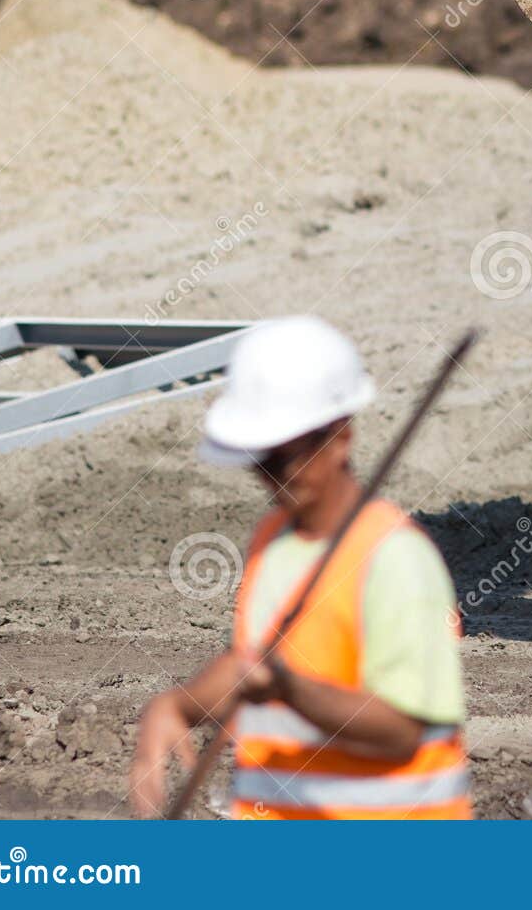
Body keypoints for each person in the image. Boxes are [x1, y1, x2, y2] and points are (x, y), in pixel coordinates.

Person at [128, 316, 470, 819]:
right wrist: (176, 706)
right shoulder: (272, 540)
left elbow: (401, 732)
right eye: (259, 460)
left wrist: (291, 690)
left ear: (340, 439)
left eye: (283, 459)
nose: (270, 479)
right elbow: (247, 667)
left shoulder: (395, 558)